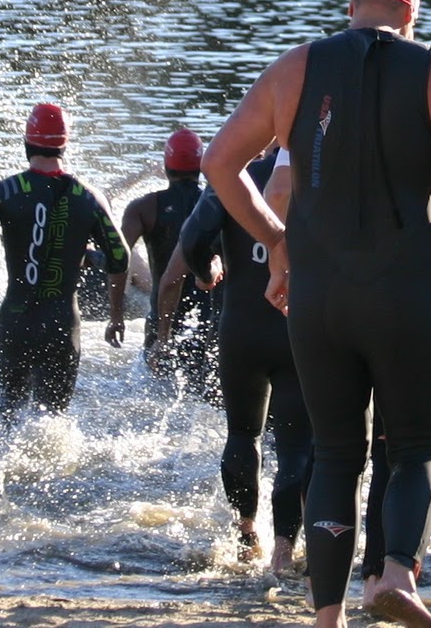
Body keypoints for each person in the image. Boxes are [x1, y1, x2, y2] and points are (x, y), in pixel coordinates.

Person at [201, 0, 431, 628]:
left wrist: (278, 242)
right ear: (411, 12)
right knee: (420, 446)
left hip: (320, 295)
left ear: (351, 6)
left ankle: (326, 616)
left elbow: (220, 163)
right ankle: (393, 575)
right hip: (405, 293)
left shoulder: (294, 67)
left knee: (336, 451)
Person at [166, 144, 311, 577]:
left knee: (242, 433)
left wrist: (208, 272)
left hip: (241, 328)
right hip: (296, 326)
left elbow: (192, 239)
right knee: (295, 445)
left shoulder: (235, 173)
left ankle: (246, 535)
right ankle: (284, 551)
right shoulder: (318, 172)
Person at [0, 103, 130, 428]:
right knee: (52, 425)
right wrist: (85, 256)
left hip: (15, 320)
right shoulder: (87, 197)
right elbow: (120, 258)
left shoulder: (2, 192)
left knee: (10, 417)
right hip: (61, 323)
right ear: (64, 145)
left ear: (27, 143)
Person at [123, 128, 215, 393]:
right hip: (207, 322)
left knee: (156, 396)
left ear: (166, 166)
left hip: (161, 322)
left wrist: (116, 314)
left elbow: (117, 261)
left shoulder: (143, 208)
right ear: (201, 165)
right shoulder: (219, 204)